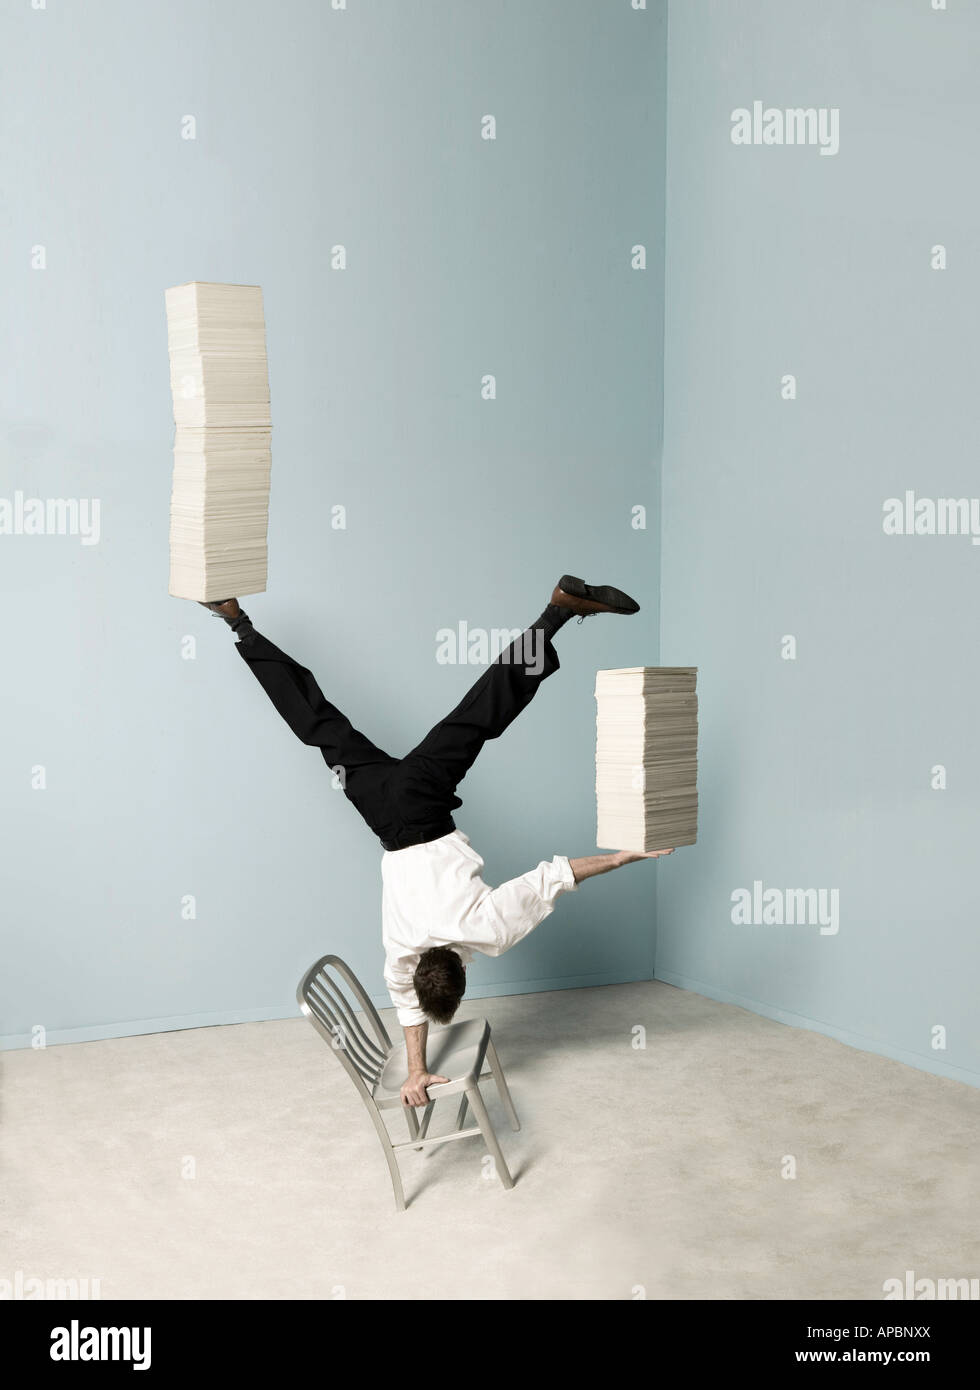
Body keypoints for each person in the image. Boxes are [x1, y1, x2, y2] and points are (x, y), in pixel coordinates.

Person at [200, 575, 673, 1106]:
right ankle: (238, 623)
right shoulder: (401, 953)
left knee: (478, 718)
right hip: (379, 807)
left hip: (423, 802)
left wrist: (625, 856)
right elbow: (407, 1006)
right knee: (318, 722)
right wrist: (415, 1073)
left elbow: (554, 877)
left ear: (460, 969)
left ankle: (556, 615)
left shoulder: (483, 931)